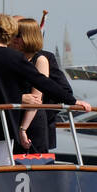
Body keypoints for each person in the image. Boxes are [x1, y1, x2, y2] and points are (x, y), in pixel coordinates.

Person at [0, 14, 76, 166]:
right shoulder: (15, 57)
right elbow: (41, 81)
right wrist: (72, 101)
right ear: (9, 34)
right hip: (8, 125)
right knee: (4, 170)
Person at [11, 17, 83, 155]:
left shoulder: (42, 59)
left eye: (17, 35)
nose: (13, 38)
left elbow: (38, 97)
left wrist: (23, 129)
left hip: (33, 121)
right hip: (12, 119)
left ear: (28, 36)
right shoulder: (10, 58)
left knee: (37, 163)